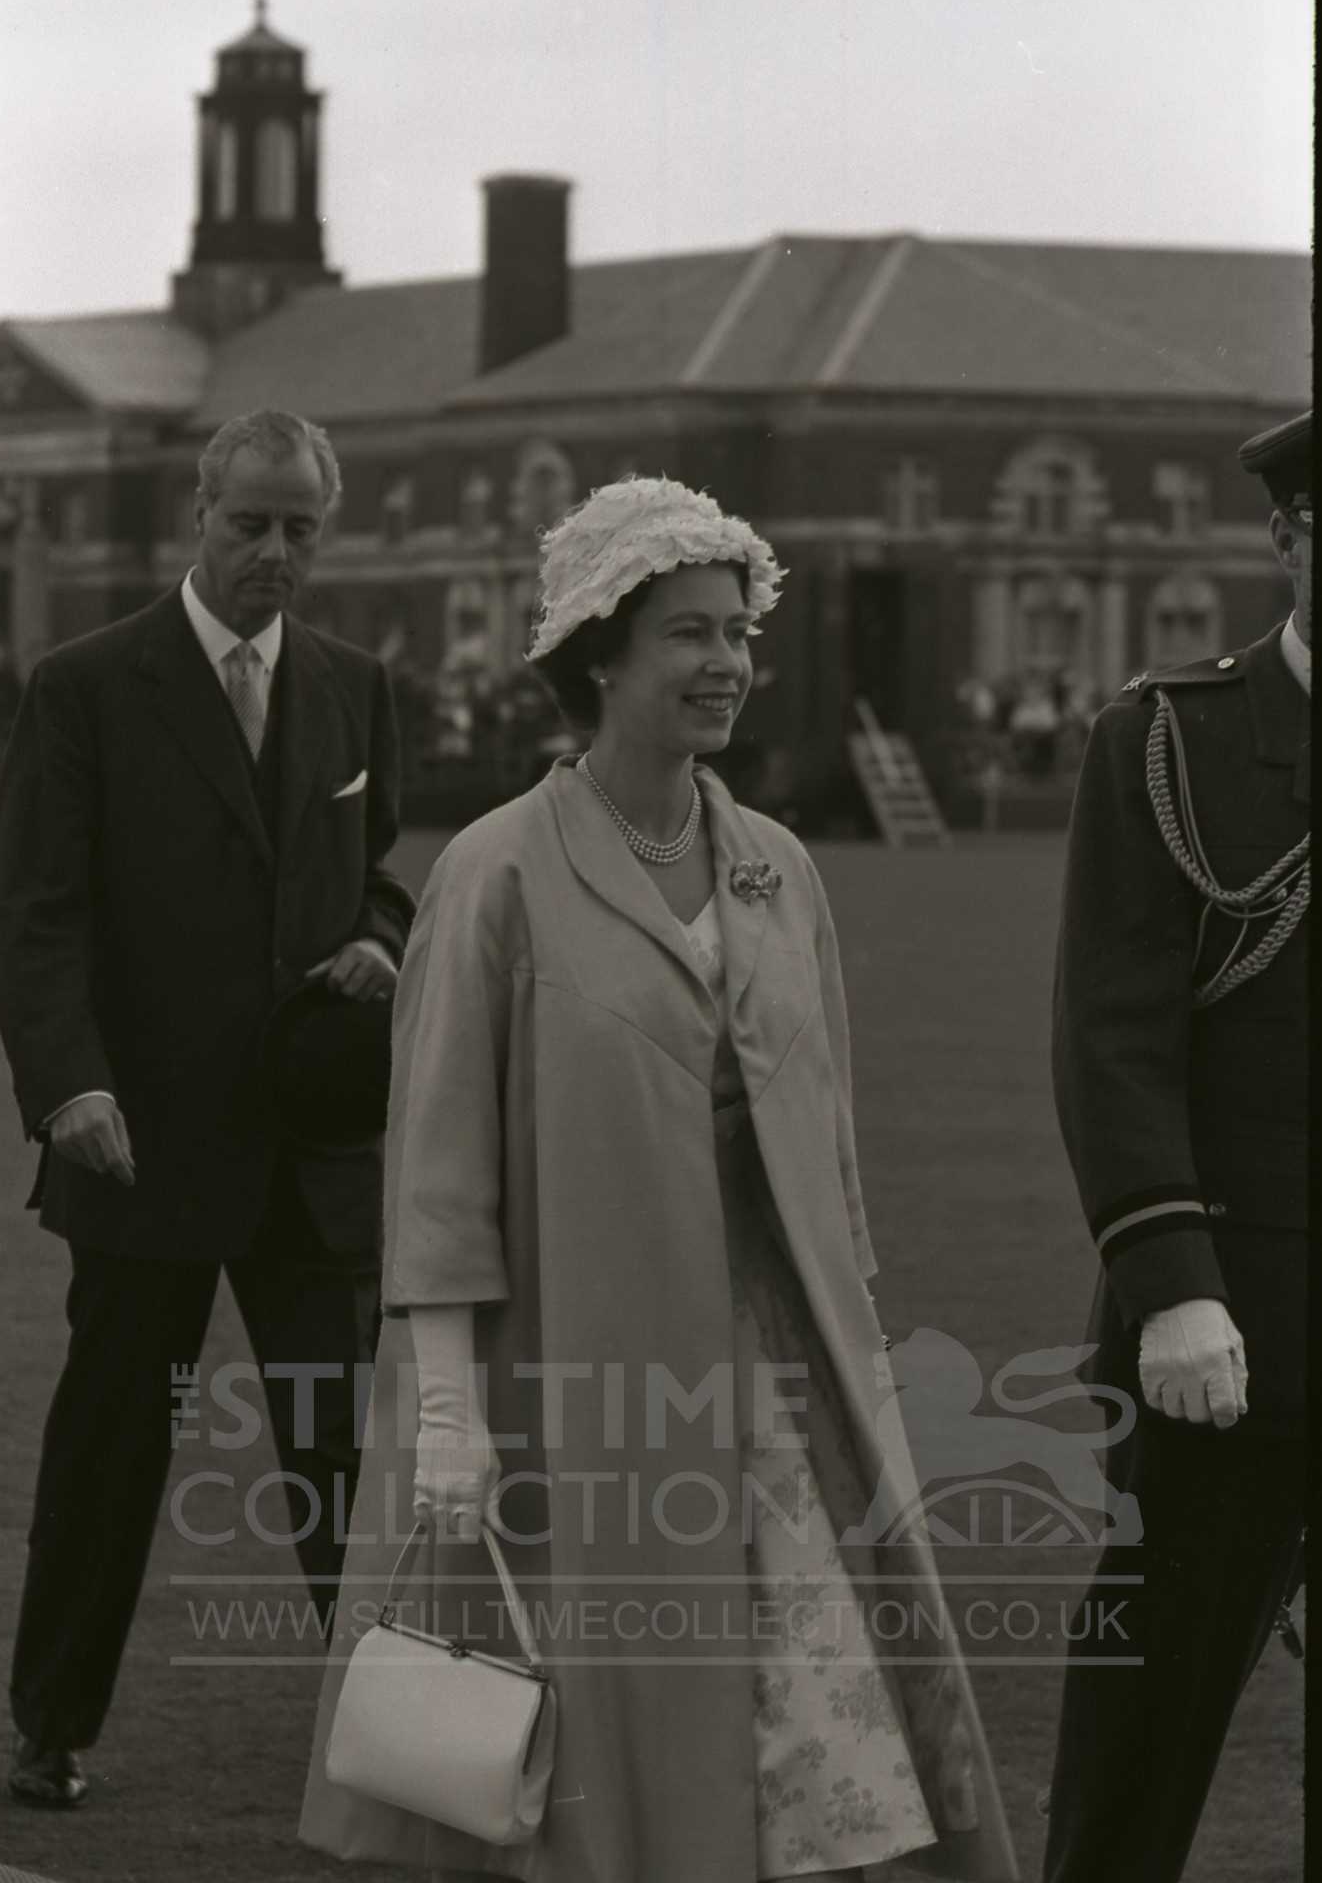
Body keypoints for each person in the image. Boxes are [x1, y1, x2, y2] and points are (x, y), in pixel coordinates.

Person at [299, 476, 1018, 1883]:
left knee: (819, 1733)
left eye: (738, 630)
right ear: (599, 656)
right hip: (570, 1369)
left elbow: (831, 1144)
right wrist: (447, 1413)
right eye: (689, 633)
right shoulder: (494, 874)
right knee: (585, 1739)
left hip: (780, 1373)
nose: (728, 663)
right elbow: (437, 1167)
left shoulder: (778, 868)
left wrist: (857, 1348)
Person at [0, 408, 415, 1809]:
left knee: (344, 1453)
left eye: (303, 529)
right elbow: (36, 918)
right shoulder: (84, 686)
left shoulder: (358, 686)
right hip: (139, 1147)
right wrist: (71, 1088)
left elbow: (382, 866)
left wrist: (380, 936)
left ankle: (401, 1752)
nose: (276, 554)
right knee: (115, 1443)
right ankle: (49, 1727)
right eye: (251, 525)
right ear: (197, 514)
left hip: (311, 1156)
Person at [1040, 409, 1310, 1882]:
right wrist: (1171, 1282)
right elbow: (1111, 1035)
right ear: (1284, 542)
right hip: (1234, 1329)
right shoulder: (1167, 744)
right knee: (1141, 1751)